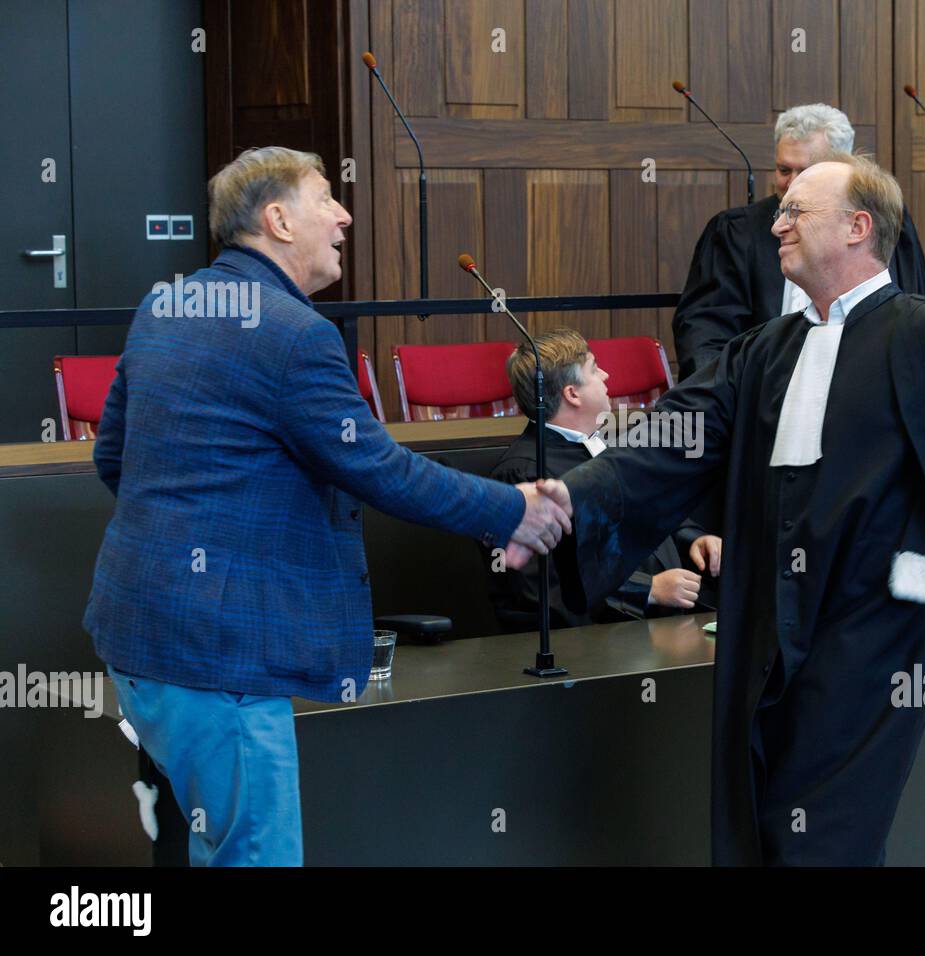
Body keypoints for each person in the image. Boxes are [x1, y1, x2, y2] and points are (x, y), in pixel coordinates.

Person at [556, 152, 925, 866]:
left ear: (859, 227)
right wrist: (565, 500)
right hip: (764, 623)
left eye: (795, 211)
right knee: (760, 820)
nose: (776, 225)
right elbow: (665, 445)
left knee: (824, 833)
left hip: (877, 630)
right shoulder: (761, 351)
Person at [83, 146, 572, 866]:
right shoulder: (294, 334)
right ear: (278, 220)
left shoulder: (170, 303)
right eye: (325, 198)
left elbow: (111, 457)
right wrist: (513, 510)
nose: (345, 213)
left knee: (197, 848)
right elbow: (382, 470)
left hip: (140, 639)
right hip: (223, 660)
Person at [672, 103, 925, 379]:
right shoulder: (735, 233)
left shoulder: (886, 225)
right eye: (784, 170)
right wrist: (731, 398)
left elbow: (916, 314)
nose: (793, 184)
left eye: (807, 171)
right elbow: (705, 334)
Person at [486, 329, 722, 629]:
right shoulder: (525, 472)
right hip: (608, 637)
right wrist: (646, 590)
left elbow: (653, 506)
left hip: (671, 619)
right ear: (573, 393)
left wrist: (695, 538)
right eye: (595, 369)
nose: (607, 376)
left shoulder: (613, 444)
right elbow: (540, 587)